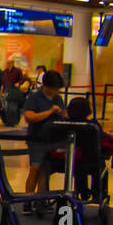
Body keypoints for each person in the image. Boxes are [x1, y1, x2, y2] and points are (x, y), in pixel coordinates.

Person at [22, 69, 66, 206]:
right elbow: (29, 117)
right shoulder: (35, 98)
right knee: (35, 168)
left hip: (52, 140)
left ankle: (41, 201)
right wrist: (50, 112)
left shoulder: (58, 99)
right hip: (37, 139)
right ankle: (27, 201)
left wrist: (62, 114)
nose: (55, 91)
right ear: (47, 86)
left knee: (45, 170)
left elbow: (65, 115)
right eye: (54, 88)